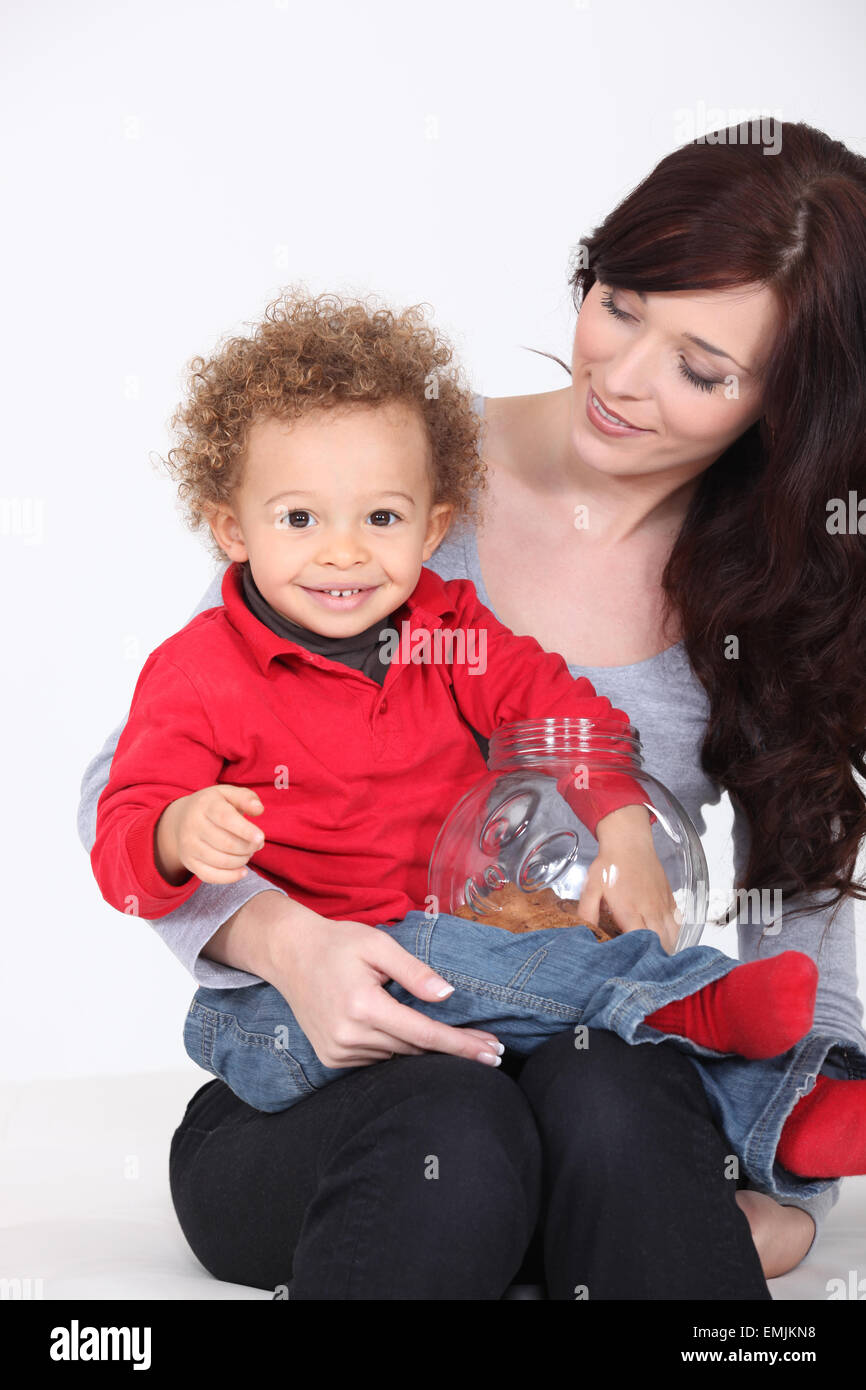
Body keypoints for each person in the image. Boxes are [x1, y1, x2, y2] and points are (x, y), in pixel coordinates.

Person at [77, 118, 866, 1298]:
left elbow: (797, 891)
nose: (620, 376)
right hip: (326, 1072)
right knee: (454, 1129)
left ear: (784, 406)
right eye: (618, 302)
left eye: (700, 370)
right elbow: (134, 779)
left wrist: (789, 1193)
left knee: (608, 1096)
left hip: (584, 1065)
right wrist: (287, 944)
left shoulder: (764, 583)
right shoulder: (372, 473)